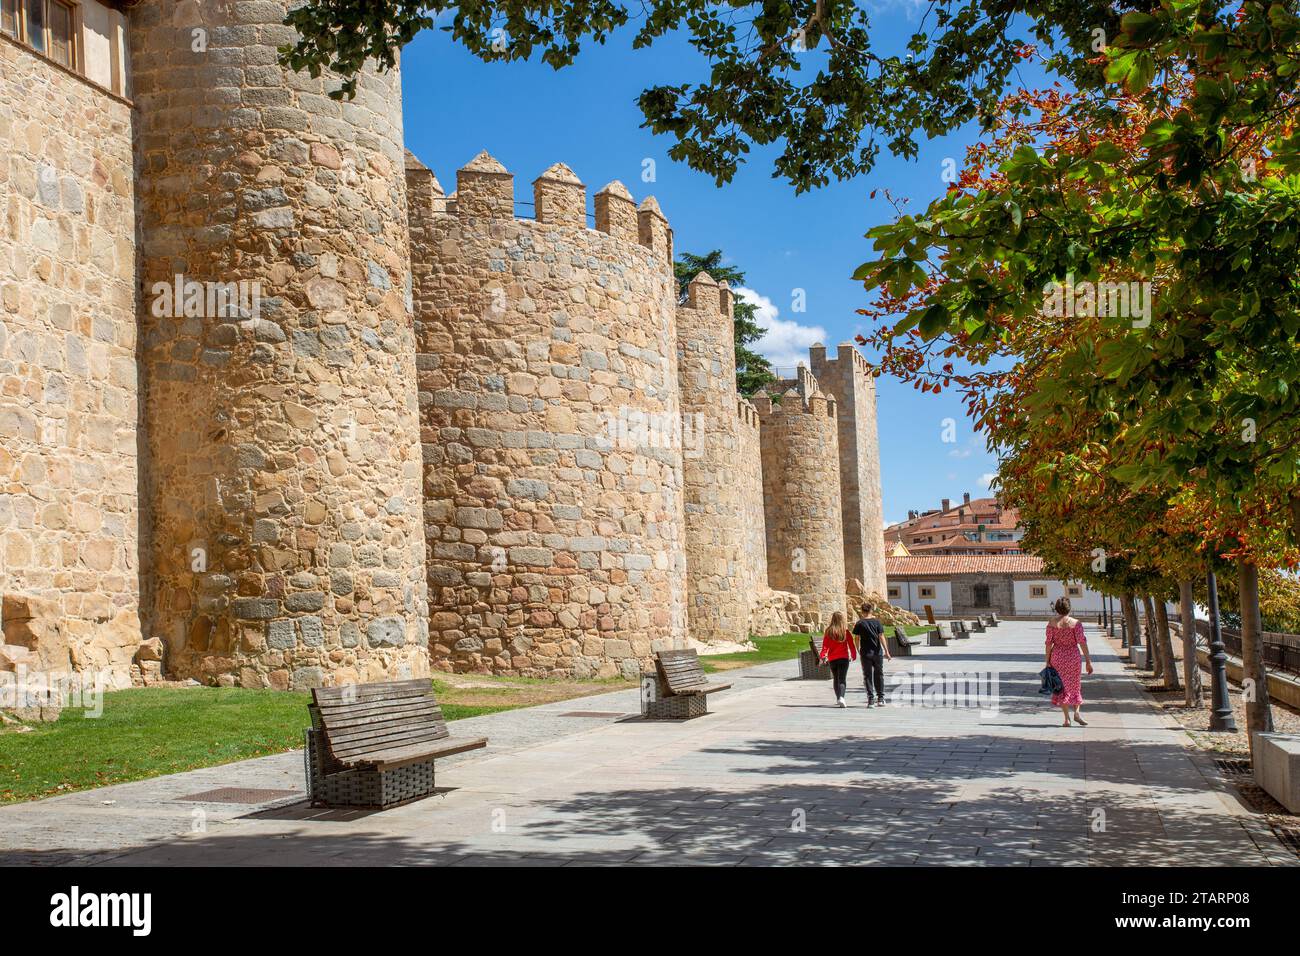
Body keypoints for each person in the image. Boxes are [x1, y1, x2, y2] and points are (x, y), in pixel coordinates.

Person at [1045, 596, 1093, 726]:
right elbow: (1082, 642)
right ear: (1069, 608)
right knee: (1075, 685)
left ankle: (1066, 719)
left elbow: (1048, 644)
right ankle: (1077, 712)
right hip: (1073, 657)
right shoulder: (1076, 624)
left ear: (1057, 609)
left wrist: (1047, 661)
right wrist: (1088, 660)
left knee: (1062, 688)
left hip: (1057, 657)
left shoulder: (1051, 624)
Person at [853, 603, 891, 707]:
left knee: (867, 676)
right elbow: (881, 636)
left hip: (865, 653)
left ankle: (870, 700)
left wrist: (858, 649)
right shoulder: (877, 622)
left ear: (862, 611)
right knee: (879, 675)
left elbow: (856, 638)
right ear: (871, 611)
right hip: (877, 653)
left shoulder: (859, 623)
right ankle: (881, 698)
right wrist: (886, 651)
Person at [818, 611, 857, 708]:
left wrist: (823, 656)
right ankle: (841, 698)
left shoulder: (828, 632)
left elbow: (825, 647)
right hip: (843, 658)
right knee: (842, 679)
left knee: (836, 678)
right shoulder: (845, 632)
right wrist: (854, 655)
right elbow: (851, 645)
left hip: (833, 659)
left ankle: (838, 698)